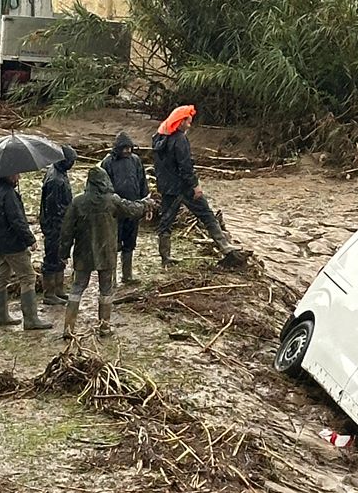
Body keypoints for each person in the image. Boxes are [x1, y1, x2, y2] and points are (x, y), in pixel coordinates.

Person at [59, 162, 152, 338]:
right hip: (106, 252)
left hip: (83, 252)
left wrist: (63, 254)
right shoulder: (112, 200)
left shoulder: (78, 201)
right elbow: (132, 209)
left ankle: (68, 329)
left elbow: (66, 231)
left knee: (77, 288)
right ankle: (104, 327)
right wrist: (146, 204)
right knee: (106, 289)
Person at [151, 103, 233, 267]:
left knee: (165, 222)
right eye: (188, 121)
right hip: (184, 187)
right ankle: (227, 250)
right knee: (207, 215)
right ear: (180, 122)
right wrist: (195, 186)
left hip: (167, 187)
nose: (190, 124)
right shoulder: (180, 139)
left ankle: (165, 258)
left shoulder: (158, 138)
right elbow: (185, 166)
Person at [0, 171, 49, 331]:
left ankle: (2, 316)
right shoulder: (9, 195)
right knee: (28, 277)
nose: (18, 177)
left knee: (1, 276)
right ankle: (31, 319)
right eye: (15, 174)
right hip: (12, 244)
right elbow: (17, 221)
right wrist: (30, 239)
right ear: (7, 175)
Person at [103, 130, 148, 286]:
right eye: (124, 148)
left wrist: (144, 204)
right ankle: (112, 278)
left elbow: (142, 182)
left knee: (130, 243)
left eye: (129, 147)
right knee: (114, 244)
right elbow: (104, 187)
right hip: (115, 210)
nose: (127, 151)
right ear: (118, 148)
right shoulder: (107, 162)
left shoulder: (135, 161)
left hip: (134, 208)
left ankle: (127, 275)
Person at [39, 144, 77, 302]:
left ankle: (59, 288)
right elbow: (55, 207)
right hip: (55, 225)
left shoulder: (58, 172)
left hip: (59, 223)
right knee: (53, 257)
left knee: (61, 255)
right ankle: (49, 293)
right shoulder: (56, 179)